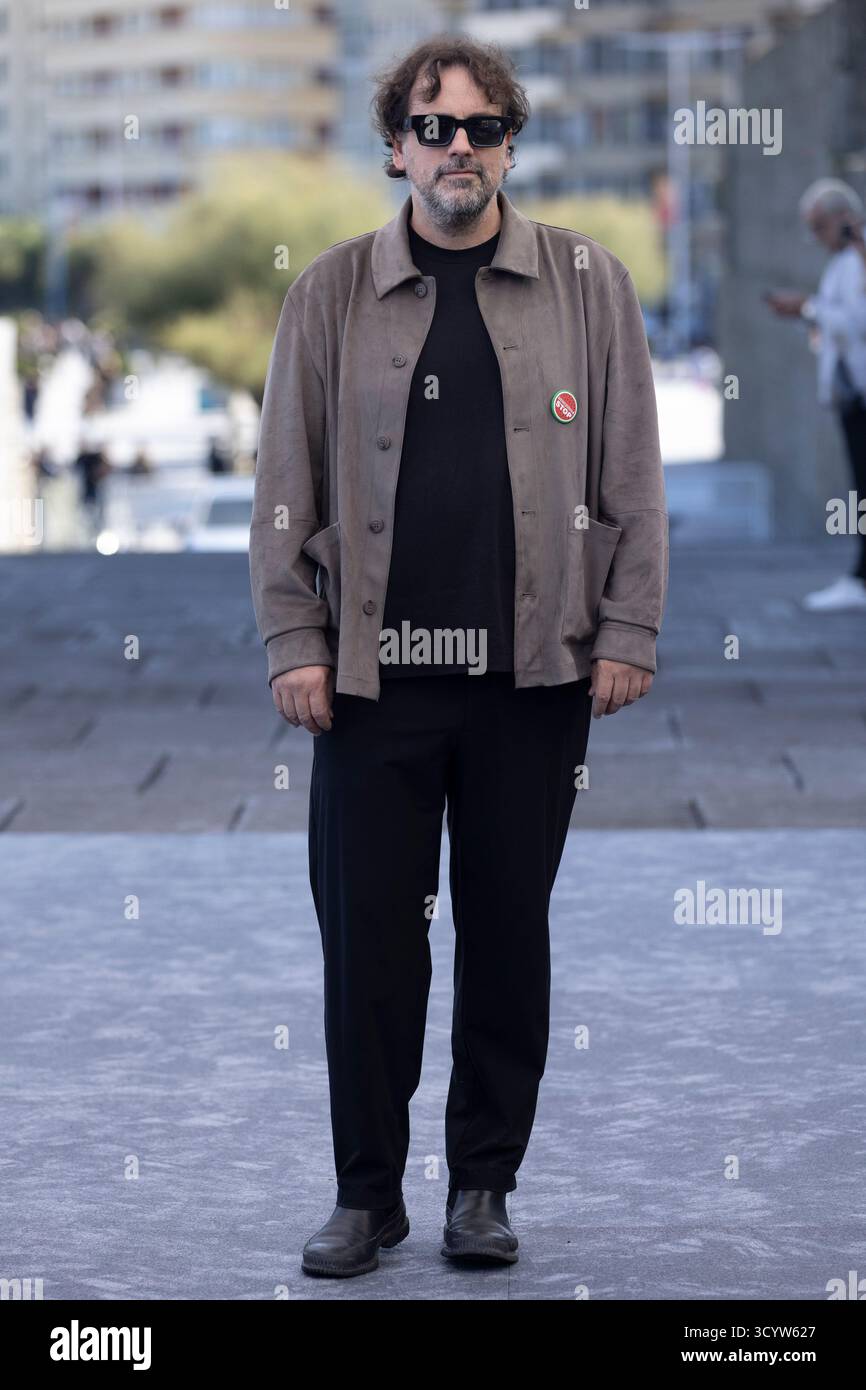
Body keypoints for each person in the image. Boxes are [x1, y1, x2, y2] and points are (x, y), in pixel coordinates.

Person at [249, 35, 669, 1279]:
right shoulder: (327, 294)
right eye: (433, 128)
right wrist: (293, 636)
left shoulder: (588, 284)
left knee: (506, 937)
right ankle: (364, 1198)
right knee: (367, 946)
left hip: (531, 682)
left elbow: (632, 475)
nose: (457, 150)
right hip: (373, 685)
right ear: (395, 146)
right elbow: (282, 485)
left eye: (481, 129)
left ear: (507, 147)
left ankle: (482, 1187)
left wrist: (629, 627)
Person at [766, 179, 866, 610]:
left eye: (820, 225)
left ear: (844, 217)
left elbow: (857, 321)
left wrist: (807, 308)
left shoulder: (858, 258)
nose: (815, 237)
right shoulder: (843, 262)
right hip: (851, 395)